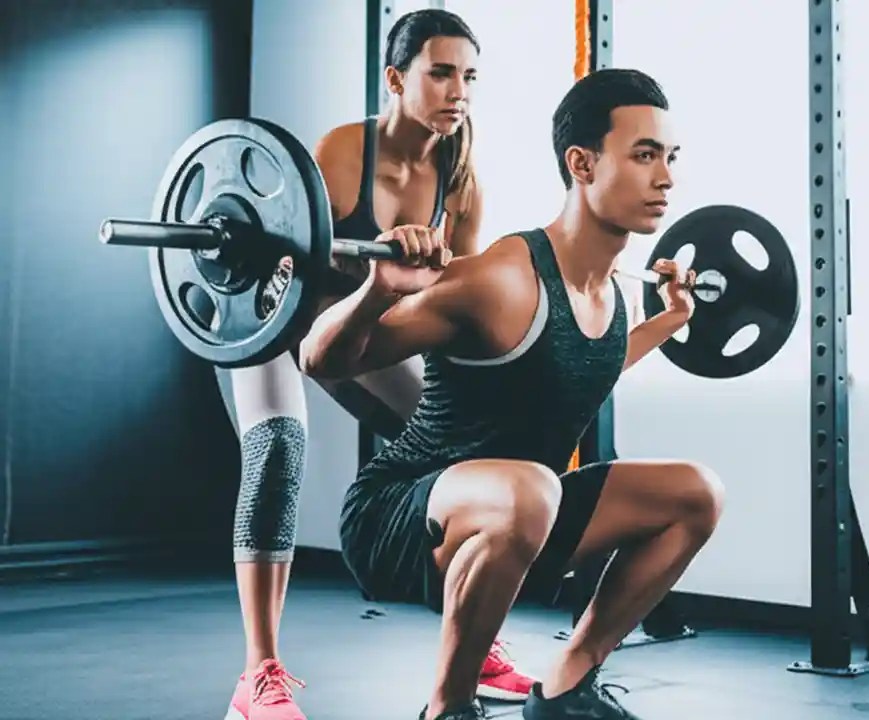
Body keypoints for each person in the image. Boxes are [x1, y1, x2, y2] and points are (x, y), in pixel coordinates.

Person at [299, 67, 726, 720]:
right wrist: (380, 288)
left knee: (695, 493)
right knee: (533, 488)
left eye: (670, 157)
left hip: (525, 512)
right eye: (644, 155)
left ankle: (566, 687)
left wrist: (667, 322)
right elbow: (320, 357)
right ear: (581, 164)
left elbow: (584, 366)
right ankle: (449, 706)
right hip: (401, 515)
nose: (665, 177)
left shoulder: (610, 293)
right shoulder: (502, 279)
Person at [214, 10, 536, 720]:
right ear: (396, 79)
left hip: (357, 328)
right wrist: (379, 263)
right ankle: (256, 675)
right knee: (277, 452)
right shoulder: (343, 150)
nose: (460, 91)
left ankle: (474, 646)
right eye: (442, 73)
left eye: (470, 76)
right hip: (274, 314)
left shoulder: (461, 177)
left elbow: (454, 294)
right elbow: (296, 267)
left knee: (459, 453)